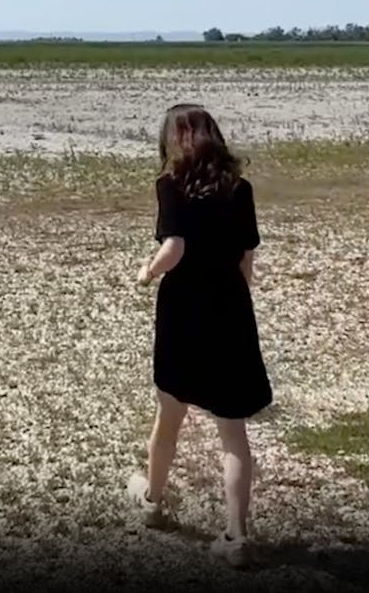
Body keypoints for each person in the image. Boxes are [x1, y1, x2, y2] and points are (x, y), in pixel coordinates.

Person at [127, 103, 273, 567]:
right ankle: (236, 535)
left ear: (174, 142)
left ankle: (152, 501)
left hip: (185, 309)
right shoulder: (239, 188)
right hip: (229, 308)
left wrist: (146, 273)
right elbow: (246, 260)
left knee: (169, 414)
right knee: (233, 431)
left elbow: (175, 247)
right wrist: (236, 300)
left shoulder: (171, 187)